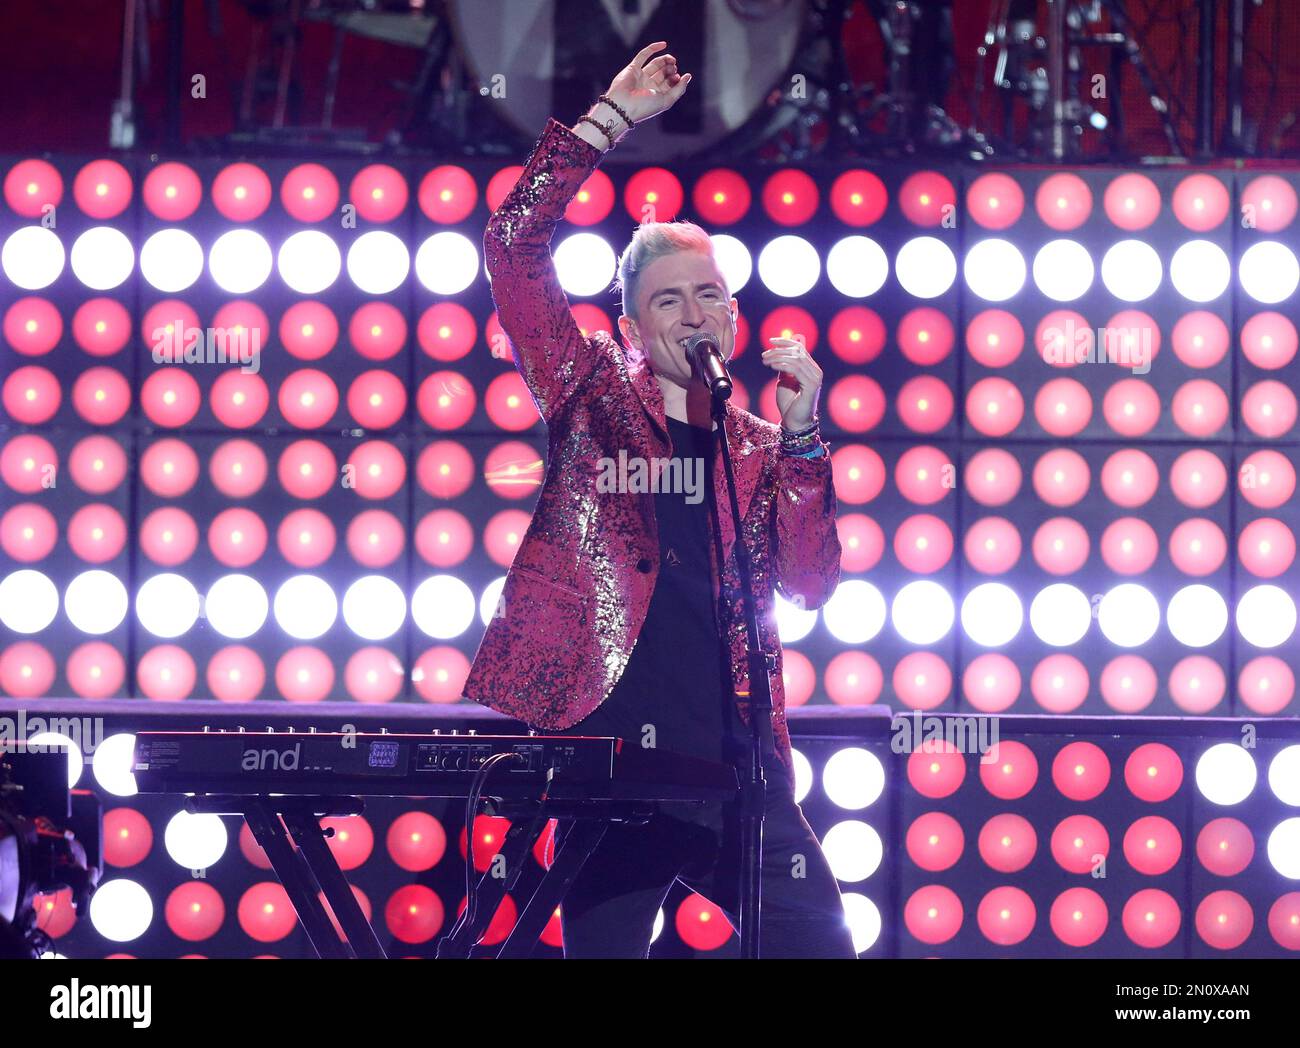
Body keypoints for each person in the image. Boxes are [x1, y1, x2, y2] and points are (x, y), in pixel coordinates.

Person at [463, 42, 854, 959]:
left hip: (736, 767)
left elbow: (810, 584)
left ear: (733, 315)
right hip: (613, 768)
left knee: (821, 945)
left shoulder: (759, 448)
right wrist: (607, 121)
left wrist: (804, 441)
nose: (694, 314)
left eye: (708, 295)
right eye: (668, 300)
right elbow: (512, 250)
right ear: (632, 326)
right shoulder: (590, 387)